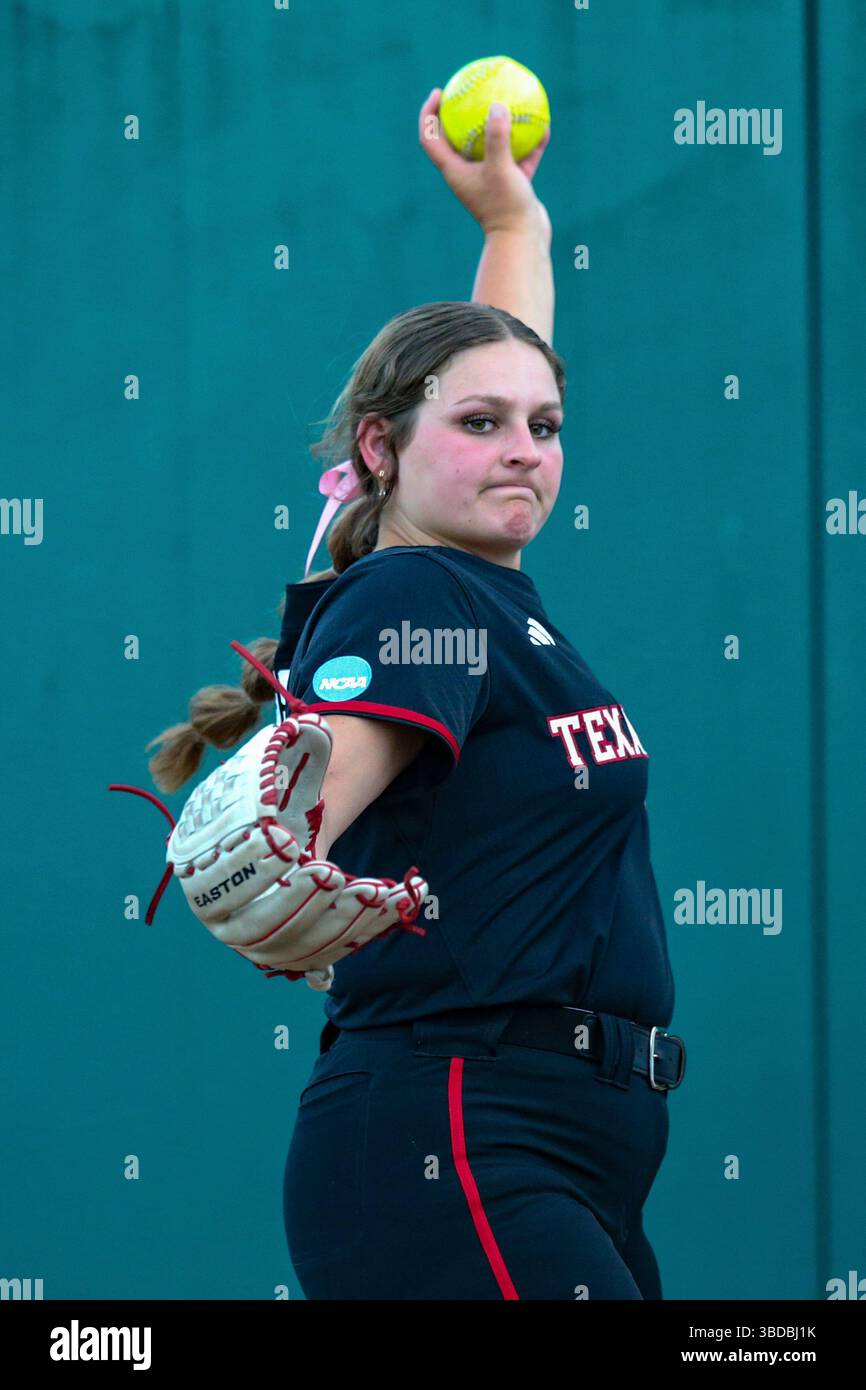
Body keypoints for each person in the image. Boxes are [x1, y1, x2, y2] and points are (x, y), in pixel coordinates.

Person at [147, 90, 685, 1300]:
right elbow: (326, 777)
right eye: (484, 424)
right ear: (382, 449)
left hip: (554, 1138)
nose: (524, 449)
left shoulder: (483, 591)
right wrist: (287, 821)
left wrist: (515, 224)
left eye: (546, 426)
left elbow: (494, 361)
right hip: (457, 1132)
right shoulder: (424, 603)